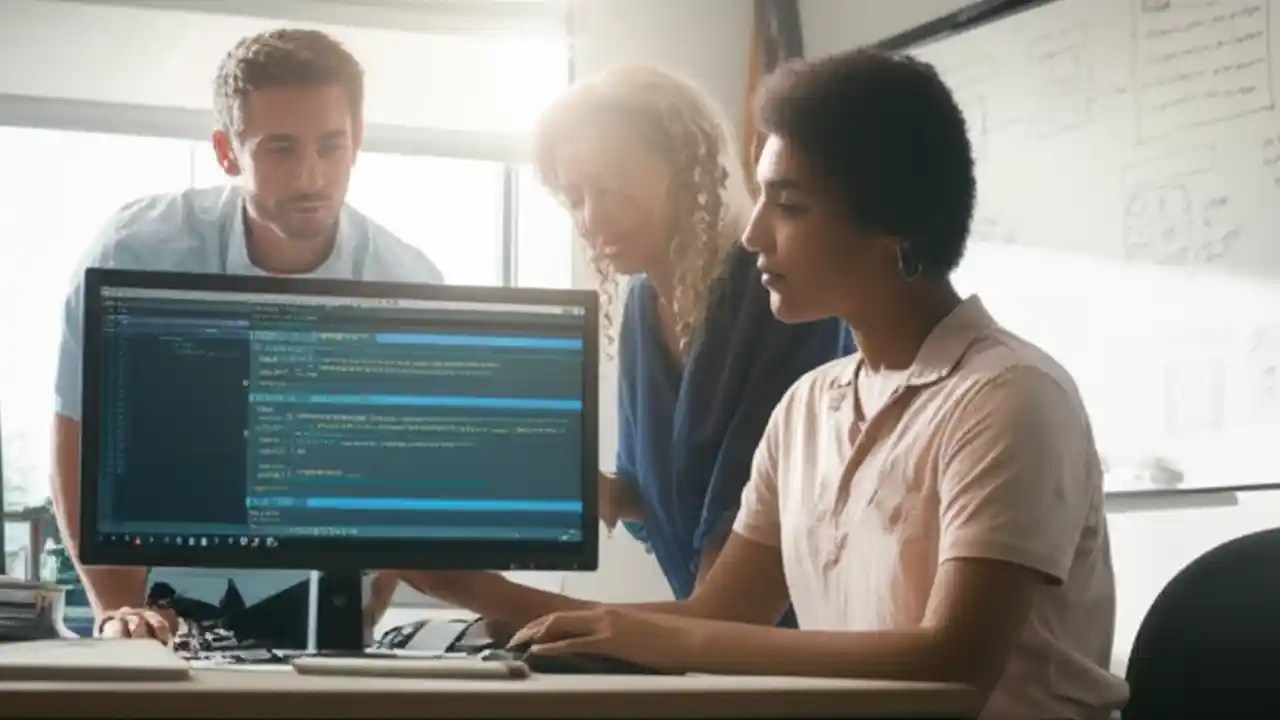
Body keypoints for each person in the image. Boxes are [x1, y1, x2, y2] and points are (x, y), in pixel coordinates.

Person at [496, 49, 1131, 718]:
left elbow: (954, 660)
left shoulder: (1010, 398)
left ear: (897, 223)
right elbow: (722, 615)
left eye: (790, 205)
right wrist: (498, 600)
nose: (754, 232)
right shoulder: (805, 410)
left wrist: (656, 636)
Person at [386, 66, 851, 623]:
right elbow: (659, 496)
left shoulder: (778, 304)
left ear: (689, 174)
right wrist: (572, 486)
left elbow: (725, 611)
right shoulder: (640, 305)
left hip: (792, 655)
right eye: (575, 196)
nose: (591, 218)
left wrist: (477, 590)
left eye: (612, 189)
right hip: (712, 656)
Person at [50, 28, 441, 643]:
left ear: (357, 141)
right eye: (280, 149)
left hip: (322, 600)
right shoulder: (135, 253)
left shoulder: (407, 281)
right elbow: (78, 433)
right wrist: (116, 612)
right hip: (160, 601)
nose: (311, 176)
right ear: (227, 151)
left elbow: (396, 478)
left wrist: (360, 615)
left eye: (330, 147)